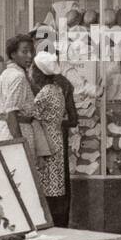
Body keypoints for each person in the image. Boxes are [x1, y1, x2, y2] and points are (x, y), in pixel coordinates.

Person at [0, 33, 52, 168]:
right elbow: (12, 114)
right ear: (13, 54)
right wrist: (20, 147)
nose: (30, 56)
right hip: (16, 133)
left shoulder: (5, 75)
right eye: (24, 52)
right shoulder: (18, 77)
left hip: (4, 132)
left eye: (31, 51)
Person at [32, 51, 70, 227]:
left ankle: (49, 223)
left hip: (46, 141)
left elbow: (32, 115)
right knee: (54, 186)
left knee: (46, 185)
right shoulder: (57, 90)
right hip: (56, 138)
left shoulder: (45, 93)